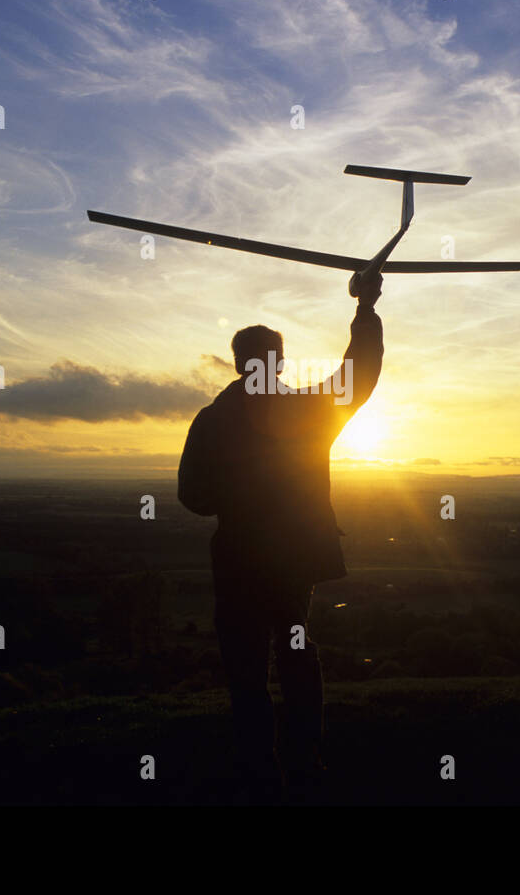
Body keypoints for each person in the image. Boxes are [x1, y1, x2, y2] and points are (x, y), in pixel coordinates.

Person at [177, 274, 384, 802]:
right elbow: (358, 378)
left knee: (245, 663)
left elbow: (192, 497)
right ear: (279, 361)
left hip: (238, 560)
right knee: (295, 649)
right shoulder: (309, 410)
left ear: (237, 362)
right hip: (293, 561)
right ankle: (306, 760)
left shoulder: (211, 419)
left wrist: (238, 500)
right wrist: (365, 307)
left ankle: (255, 767)